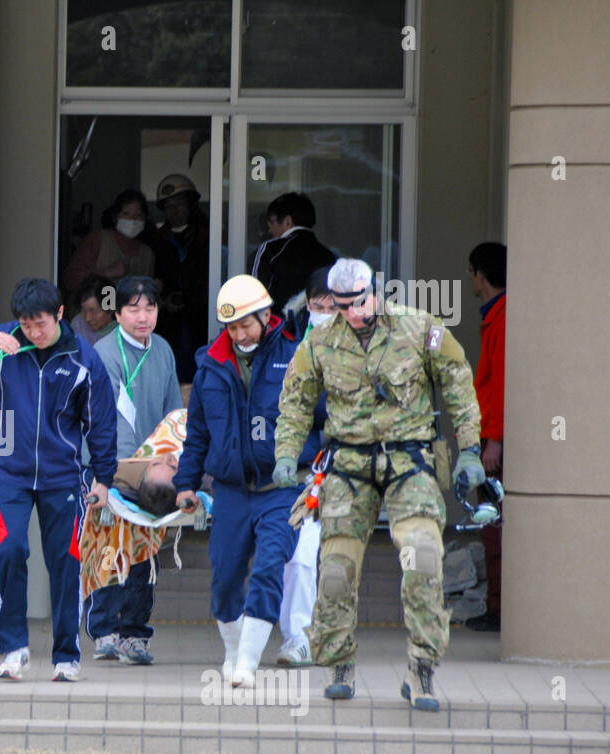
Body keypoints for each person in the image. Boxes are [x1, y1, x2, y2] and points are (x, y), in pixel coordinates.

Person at [274, 258, 484, 711]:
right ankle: (339, 664)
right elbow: (295, 401)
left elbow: (458, 382)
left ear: (376, 291)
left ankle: (422, 668)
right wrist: (286, 455)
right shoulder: (319, 343)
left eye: (359, 302)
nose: (352, 313)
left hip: (409, 461)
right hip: (348, 464)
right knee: (334, 570)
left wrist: (469, 448)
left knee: (423, 559)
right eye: (341, 306)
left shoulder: (418, 327)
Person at [0, 278, 116, 683]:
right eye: (26, 324)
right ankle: (14, 649)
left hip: (63, 477)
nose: (33, 333)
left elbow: (101, 423)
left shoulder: (83, 358)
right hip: (10, 473)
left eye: (41, 323)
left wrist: (103, 479)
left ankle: (67, 656)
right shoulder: (1, 342)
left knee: (66, 562)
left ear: (58, 315)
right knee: (9, 550)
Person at [173, 275, 325, 687]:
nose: (239, 334)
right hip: (231, 491)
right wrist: (186, 483)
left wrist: (323, 467)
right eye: (231, 327)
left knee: (271, 567)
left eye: (246, 324)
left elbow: (324, 420)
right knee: (224, 579)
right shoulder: (209, 365)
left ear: (265, 315)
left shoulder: (296, 355)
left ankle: (248, 663)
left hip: (284, 487)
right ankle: (235, 650)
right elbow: (198, 433)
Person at [87, 275, 183, 665]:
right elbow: (100, 418)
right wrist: (111, 474)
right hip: (112, 467)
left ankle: (135, 633)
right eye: (134, 309)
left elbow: (174, 411)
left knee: (144, 553)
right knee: (108, 548)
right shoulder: (103, 352)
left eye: (150, 308)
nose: (143, 317)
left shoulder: (163, 350)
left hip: (153, 468)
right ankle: (104, 631)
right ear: (118, 312)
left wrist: (171, 460)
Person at [276, 266, 337, 661]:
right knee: (294, 554)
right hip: (290, 463)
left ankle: (306, 635)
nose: (327, 312)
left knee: (314, 553)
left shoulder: (363, 340)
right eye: (319, 304)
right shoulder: (284, 338)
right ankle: (296, 634)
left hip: (335, 462)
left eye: (335, 305)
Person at [466, 242, 506, 631]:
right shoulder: (497, 315)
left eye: (472, 273)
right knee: (492, 522)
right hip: (491, 435)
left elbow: (500, 386)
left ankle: (499, 610)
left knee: (493, 524)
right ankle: (498, 607)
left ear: (483, 275)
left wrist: (493, 440)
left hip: (494, 441)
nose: (471, 281)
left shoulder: (504, 318)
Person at [147, 174, 209, 382]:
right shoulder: (156, 240)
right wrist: (164, 301)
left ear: (191, 204)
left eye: (179, 204)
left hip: (202, 320)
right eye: (168, 206)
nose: (174, 211)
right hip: (167, 323)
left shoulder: (210, 236)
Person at [250, 192, 337, 315]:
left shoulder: (271, 249)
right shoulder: (328, 255)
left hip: (279, 328)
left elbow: (254, 294)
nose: (270, 229)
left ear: (287, 222)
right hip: (318, 327)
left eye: (271, 222)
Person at [63, 189, 156, 299]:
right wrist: (108, 272)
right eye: (126, 214)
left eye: (139, 215)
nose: (133, 220)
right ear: (115, 217)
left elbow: (149, 299)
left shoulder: (147, 254)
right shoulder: (98, 240)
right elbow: (70, 280)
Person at [68, 275, 118, 347]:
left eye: (93, 311)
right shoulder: (78, 324)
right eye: (84, 310)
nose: (87, 318)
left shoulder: (124, 333)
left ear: (111, 309)